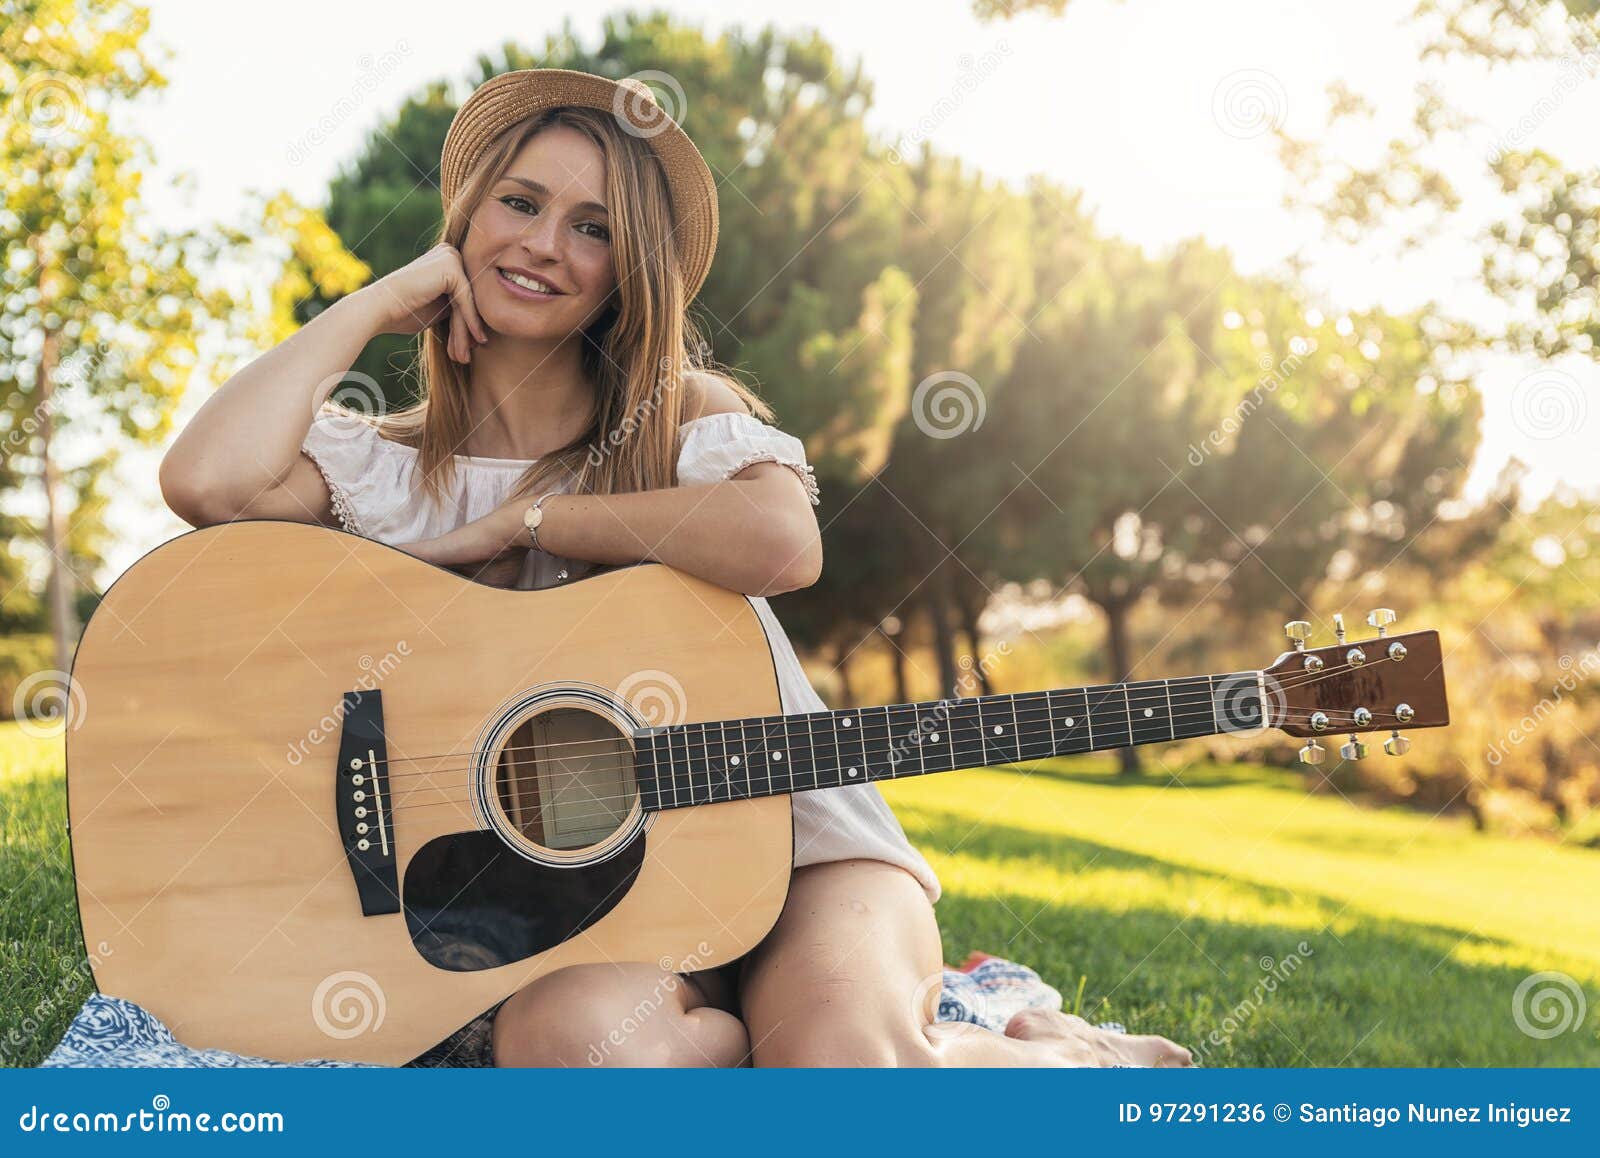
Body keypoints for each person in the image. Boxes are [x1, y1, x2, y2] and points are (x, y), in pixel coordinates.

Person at [159, 68, 1192, 1069]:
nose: (543, 244)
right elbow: (205, 484)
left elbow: (783, 543)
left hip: (802, 855)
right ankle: (740, 1047)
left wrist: (534, 521)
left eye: (594, 228)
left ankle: (1073, 1058)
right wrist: (375, 304)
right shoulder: (381, 469)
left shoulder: (682, 417)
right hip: (603, 908)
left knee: (845, 1070)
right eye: (518, 203)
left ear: (628, 271)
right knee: (569, 1047)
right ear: (464, 220)